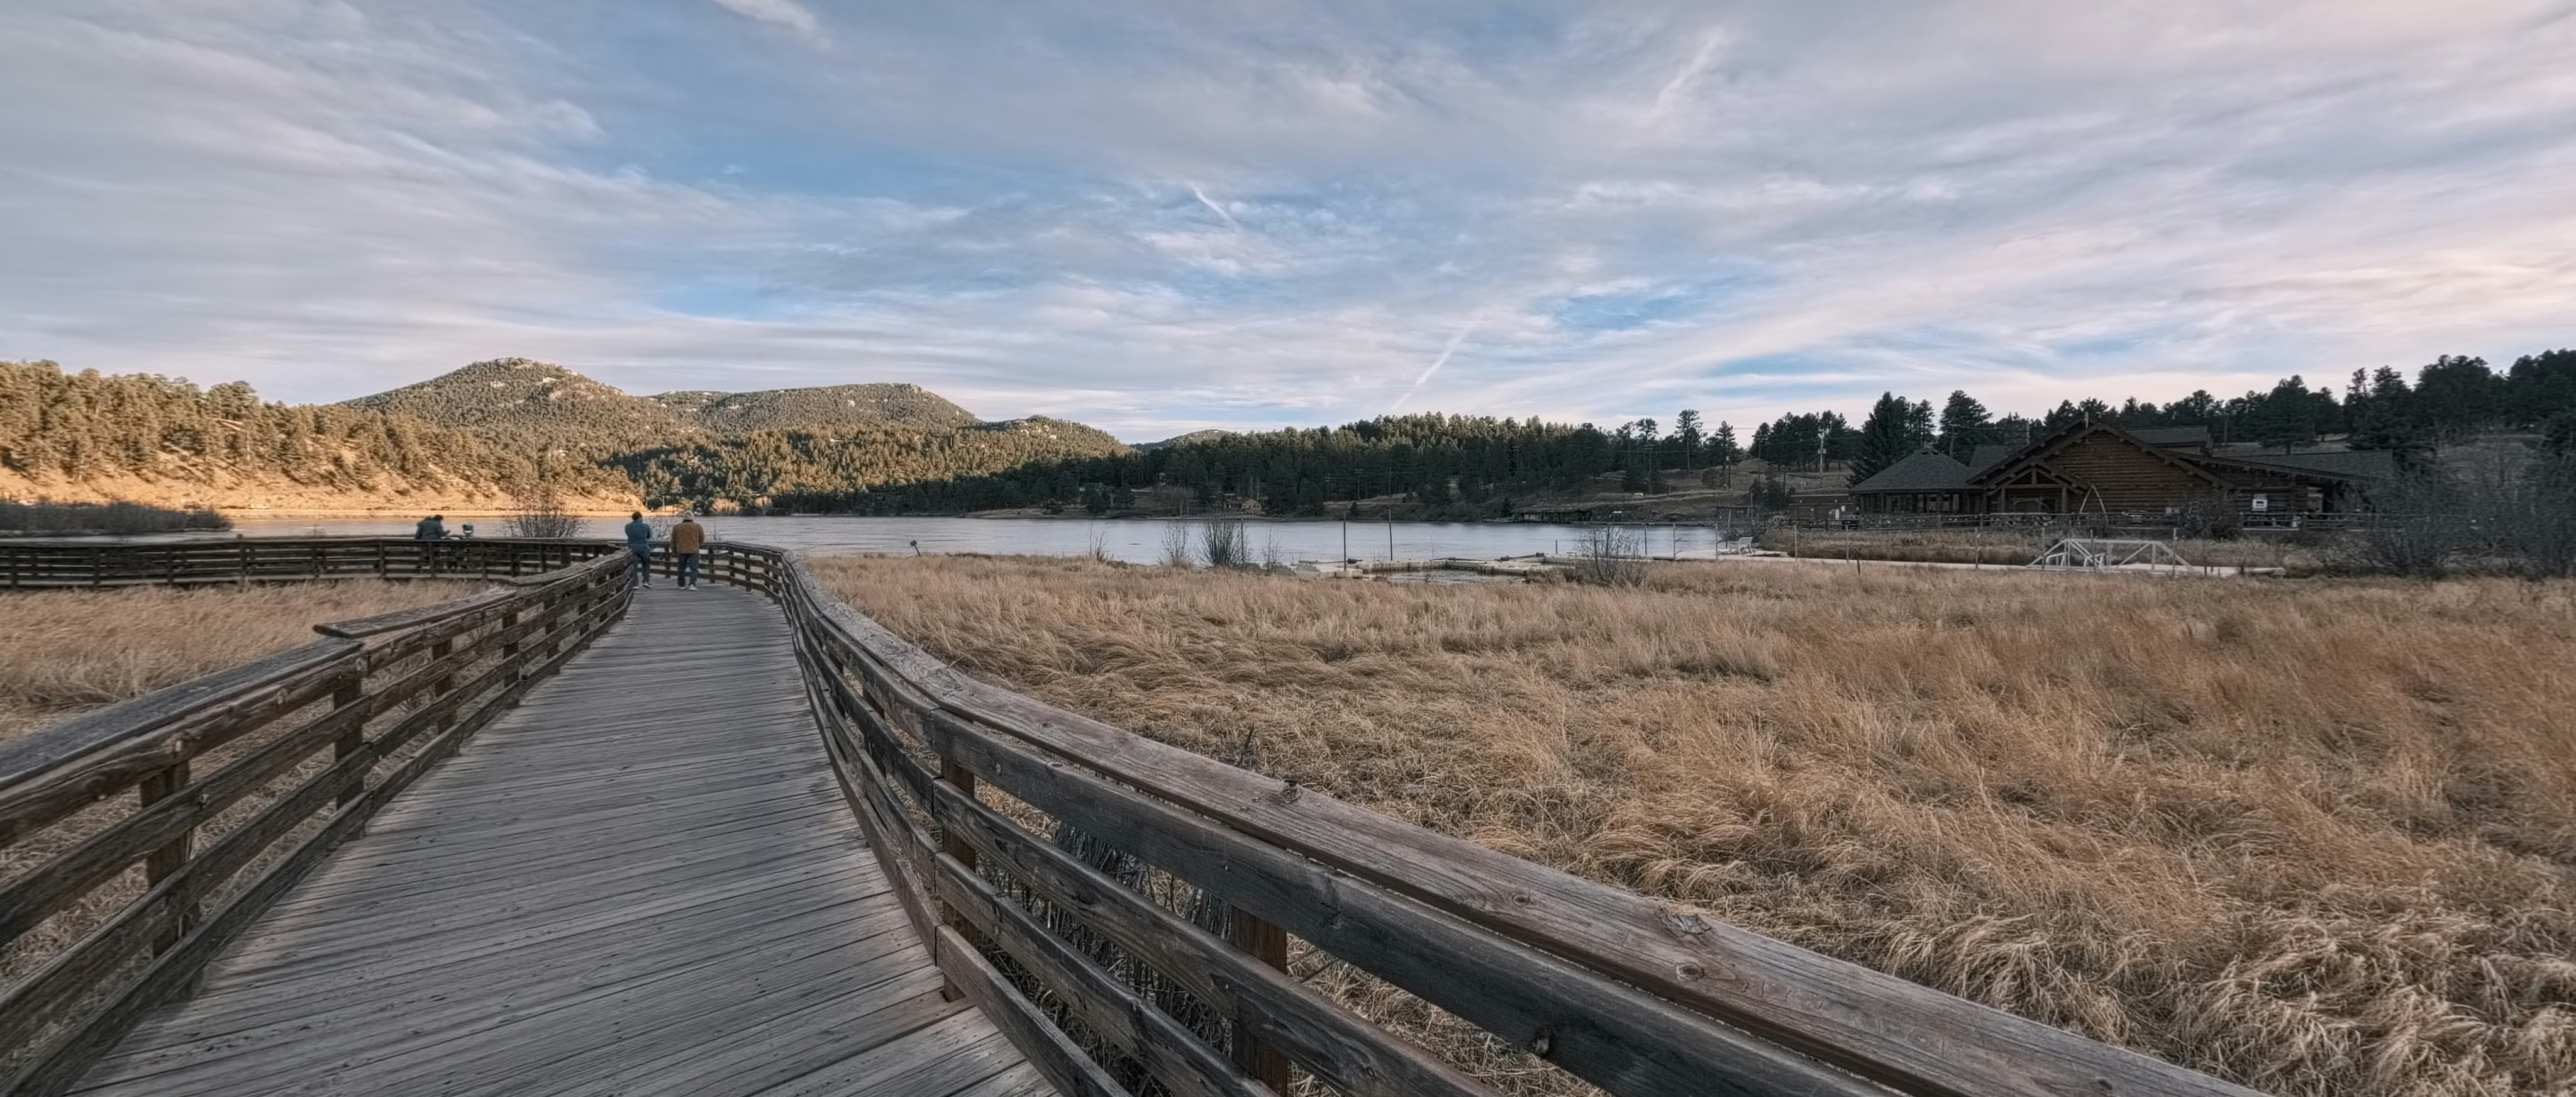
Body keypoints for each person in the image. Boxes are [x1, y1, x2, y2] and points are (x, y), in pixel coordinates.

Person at [669, 515, 706, 589]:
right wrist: (698, 545)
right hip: (694, 550)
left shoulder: (677, 527)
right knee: (694, 568)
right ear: (692, 518)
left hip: (681, 550)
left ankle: (681, 585)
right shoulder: (698, 526)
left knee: (681, 568)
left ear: (683, 518)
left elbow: (673, 541)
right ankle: (693, 584)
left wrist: (674, 551)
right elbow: (702, 538)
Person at [623, 511, 655, 589]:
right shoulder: (646, 526)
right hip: (644, 547)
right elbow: (649, 537)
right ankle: (646, 581)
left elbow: (628, 535)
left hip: (632, 548)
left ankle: (635, 584)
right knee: (646, 565)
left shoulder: (628, 526)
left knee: (634, 567)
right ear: (640, 518)